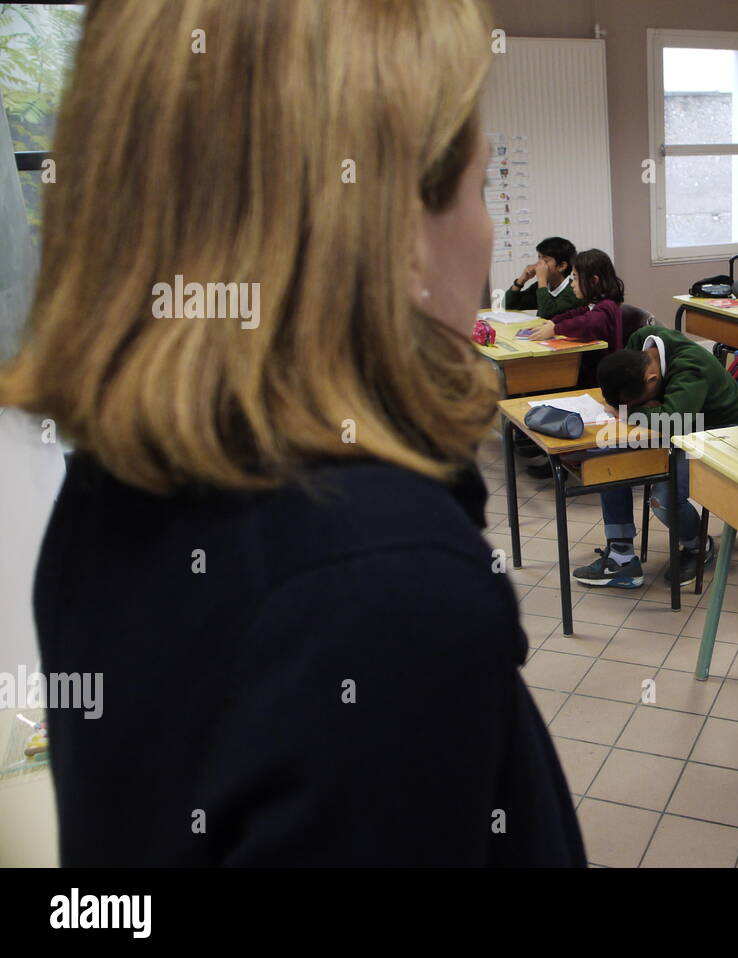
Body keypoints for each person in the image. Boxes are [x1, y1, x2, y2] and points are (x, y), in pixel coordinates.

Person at [0, 0, 583, 866]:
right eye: (478, 180)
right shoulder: (380, 581)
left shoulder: (118, 477)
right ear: (388, 224)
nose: (490, 230)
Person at [572, 326, 738, 588]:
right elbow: (669, 416)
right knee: (607, 460)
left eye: (637, 400)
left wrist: (632, 413)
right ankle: (621, 559)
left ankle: (698, 546)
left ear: (652, 379)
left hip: (718, 436)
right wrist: (648, 409)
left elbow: (673, 419)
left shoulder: (691, 367)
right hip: (682, 426)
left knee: (663, 499)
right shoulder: (640, 343)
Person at [522, 248, 626, 387]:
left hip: (601, 380)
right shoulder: (595, 304)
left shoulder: (607, 306)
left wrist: (556, 329)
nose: (572, 284)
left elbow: (588, 323)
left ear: (594, 280)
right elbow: (576, 313)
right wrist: (552, 322)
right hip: (591, 372)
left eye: (576, 278)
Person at [504, 236, 580, 318]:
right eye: (539, 258)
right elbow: (508, 305)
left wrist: (542, 279)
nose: (539, 265)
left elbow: (547, 314)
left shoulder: (574, 292)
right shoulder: (542, 286)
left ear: (561, 266)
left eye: (546, 261)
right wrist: (521, 280)